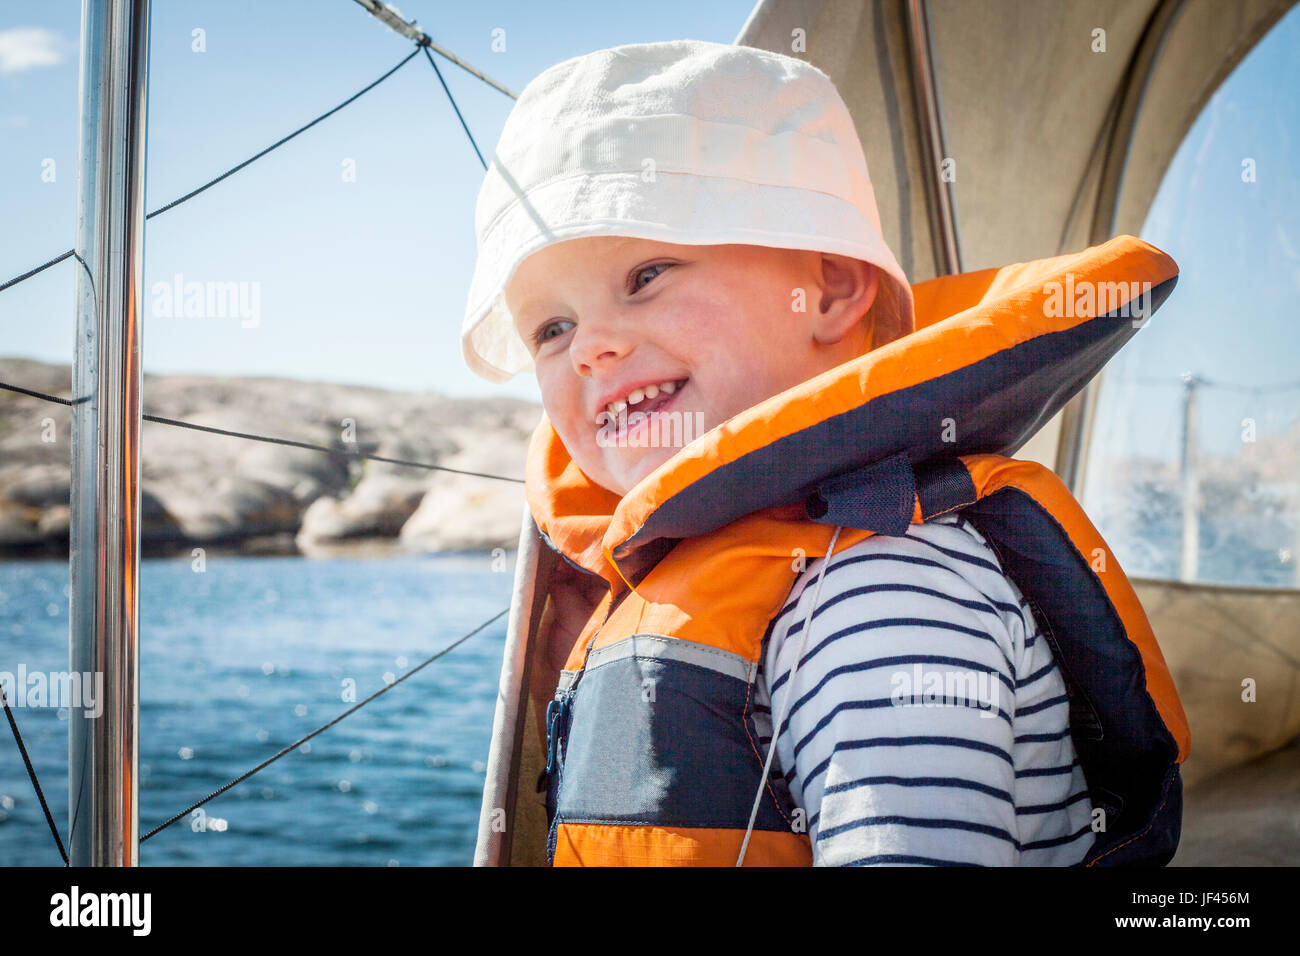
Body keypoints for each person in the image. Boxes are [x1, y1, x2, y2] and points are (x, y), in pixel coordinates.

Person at [461, 39, 1189, 866]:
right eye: (551, 328)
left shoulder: (877, 589)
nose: (589, 348)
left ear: (833, 289)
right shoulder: (774, 569)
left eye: (648, 274)